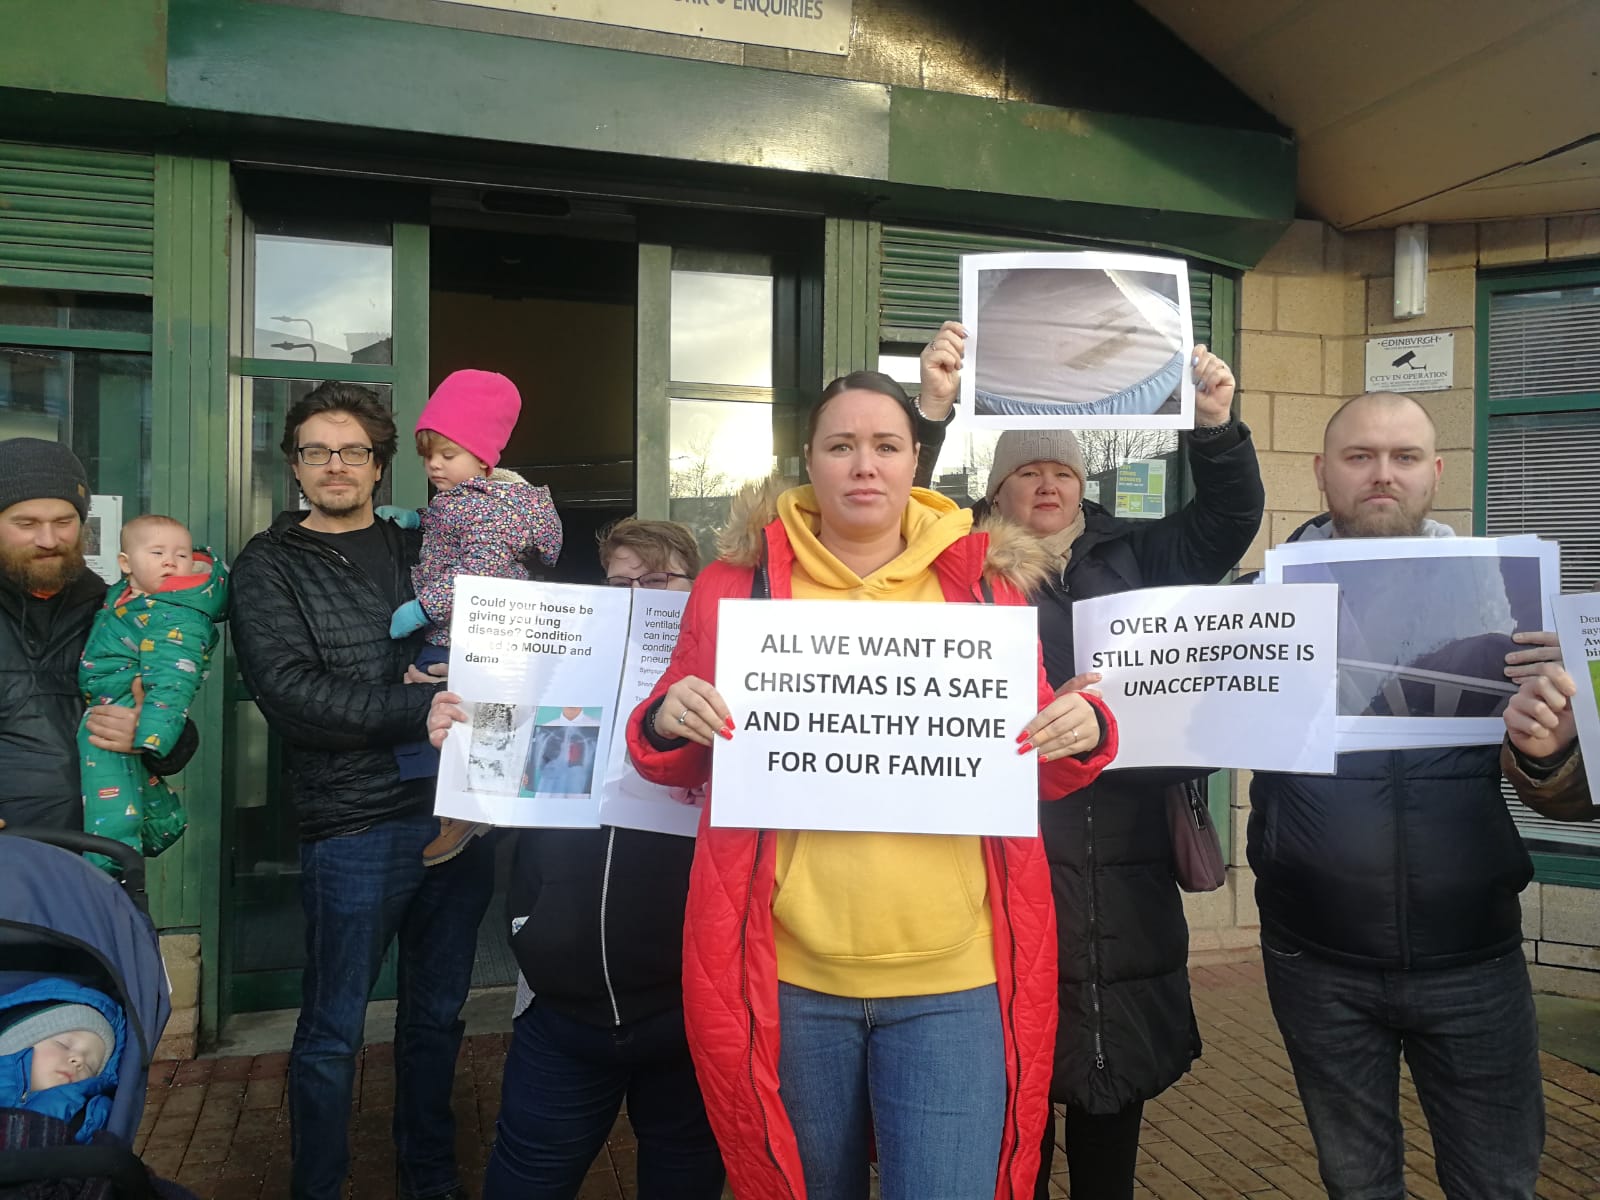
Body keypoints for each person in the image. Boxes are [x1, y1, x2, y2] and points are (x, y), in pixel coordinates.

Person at [624, 372, 1119, 1200]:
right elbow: (667, 750)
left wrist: (1085, 732)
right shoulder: (733, 585)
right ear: (808, 462)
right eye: (841, 445)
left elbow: (1038, 755)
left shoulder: (984, 581)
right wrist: (667, 717)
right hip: (787, 979)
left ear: (913, 460)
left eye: (885, 446)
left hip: (953, 983)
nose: (864, 465)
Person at [921, 320, 1263, 1199]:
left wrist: (1216, 429)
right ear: (998, 487)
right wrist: (929, 412)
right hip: (1011, 835)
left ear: (1084, 483)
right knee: (1016, 1077)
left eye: (1062, 470)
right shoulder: (956, 559)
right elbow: (889, 512)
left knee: (1114, 1070)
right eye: (1028, 470)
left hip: (1127, 846)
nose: (1047, 483)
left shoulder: (1141, 550)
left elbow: (1226, 519)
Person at [1247, 391, 1591, 1200]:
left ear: (1436, 474)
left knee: (1497, 1183)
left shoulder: (1514, 610)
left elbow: (1571, 801)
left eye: (1403, 458)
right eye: (1360, 457)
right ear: (1322, 472)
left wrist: (1552, 755)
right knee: (1357, 1184)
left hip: (1473, 959)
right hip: (1316, 959)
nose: (1382, 475)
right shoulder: (1255, 604)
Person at [229, 382, 493, 1200]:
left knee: (436, 1020)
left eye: (353, 451)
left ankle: (429, 1176)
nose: (335, 465)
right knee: (332, 1030)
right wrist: (424, 704)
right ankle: (321, 1185)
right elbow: (291, 695)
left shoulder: (430, 545)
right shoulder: (268, 564)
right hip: (351, 825)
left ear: (380, 465)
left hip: (458, 814)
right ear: (295, 468)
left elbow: (501, 622)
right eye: (316, 451)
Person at [428, 517, 726, 1200]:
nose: (637, 596)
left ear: (695, 587)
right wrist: (462, 741)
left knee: (684, 1182)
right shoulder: (556, 672)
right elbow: (485, 810)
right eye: (621, 583)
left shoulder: (725, 682)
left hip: (684, 1010)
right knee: (526, 1182)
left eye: (657, 583)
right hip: (561, 1011)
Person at [384, 371, 563, 861]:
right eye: (428, 456)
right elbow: (454, 523)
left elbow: (476, 573)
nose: (434, 466)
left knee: (457, 712)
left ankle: (466, 810)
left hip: (474, 630)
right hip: (466, 628)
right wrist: (419, 518)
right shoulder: (472, 500)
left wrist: (422, 608)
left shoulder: (493, 511)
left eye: (447, 455)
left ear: (484, 458)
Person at [0, 438, 198, 832]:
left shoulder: (117, 613)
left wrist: (154, 734)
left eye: (64, 522)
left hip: (102, 853)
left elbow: (174, 736)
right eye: (26, 524)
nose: (48, 540)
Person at [77, 514, 229, 862]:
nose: (170, 562)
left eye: (181, 554)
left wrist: (152, 737)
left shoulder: (177, 615)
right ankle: (161, 825)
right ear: (125, 565)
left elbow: (174, 681)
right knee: (131, 783)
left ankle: (108, 867)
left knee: (111, 790)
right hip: (105, 699)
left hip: (118, 708)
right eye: (157, 552)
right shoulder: (123, 595)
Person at [0, 982, 121, 1140]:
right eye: (63, 1045)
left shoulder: (89, 1116)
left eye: (91, 1066)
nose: (78, 1060)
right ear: (19, 1042)